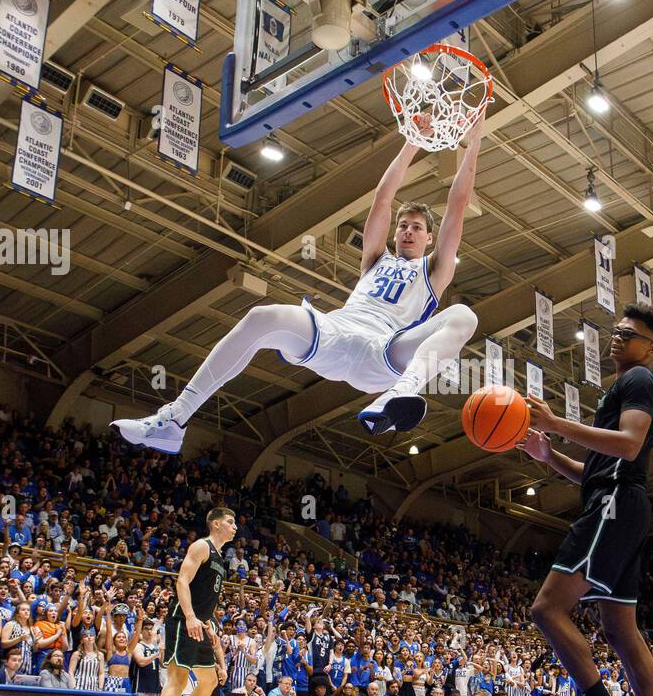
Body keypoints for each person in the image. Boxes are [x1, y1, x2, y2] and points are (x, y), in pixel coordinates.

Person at [111, 107, 488, 451]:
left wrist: (474, 141)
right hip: (335, 333)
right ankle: (173, 420)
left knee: (464, 317)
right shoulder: (375, 259)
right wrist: (412, 141)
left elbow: (457, 204)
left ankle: (399, 397)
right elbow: (382, 199)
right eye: (403, 225)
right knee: (262, 317)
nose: (407, 231)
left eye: (417, 227)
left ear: (427, 237)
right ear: (394, 234)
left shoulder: (435, 269)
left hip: (386, 352)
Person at [519, 304, 653, 696]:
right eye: (615, 331)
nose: (616, 337)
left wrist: (556, 424)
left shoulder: (639, 380)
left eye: (628, 334)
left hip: (615, 507)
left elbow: (629, 445)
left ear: (651, 348)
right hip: (619, 501)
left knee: (546, 609)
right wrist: (550, 454)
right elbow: (595, 473)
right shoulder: (625, 384)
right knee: (620, 631)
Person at [139, 507, 236, 696]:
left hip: (199, 625)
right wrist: (191, 616)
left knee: (209, 681)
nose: (235, 526)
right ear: (215, 524)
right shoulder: (201, 546)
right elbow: (182, 581)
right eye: (230, 521)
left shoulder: (219, 557)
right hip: (183, 621)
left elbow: (207, 597)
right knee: (177, 682)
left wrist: (209, 625)